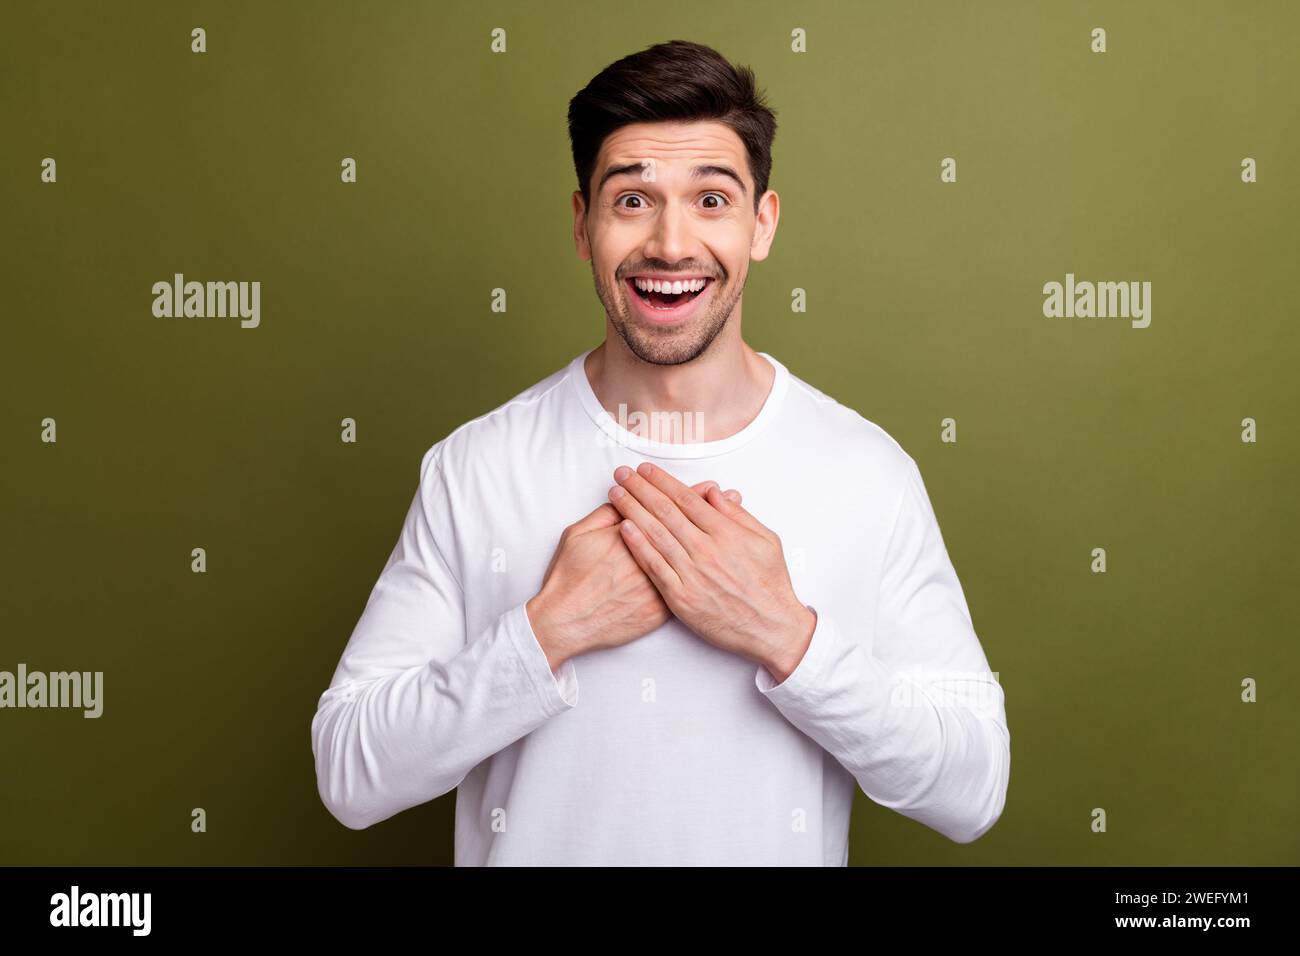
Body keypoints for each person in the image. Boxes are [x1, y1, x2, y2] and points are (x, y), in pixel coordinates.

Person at [310, 39, 1009, 865]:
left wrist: (787, 637)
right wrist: (545, 632)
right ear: (584, 225)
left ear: (762, 224)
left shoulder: (868, 473)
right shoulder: (476, 468)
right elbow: (350, 774)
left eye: (711, 200)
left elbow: (972, 791)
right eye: (633, 199)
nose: (671, 245)